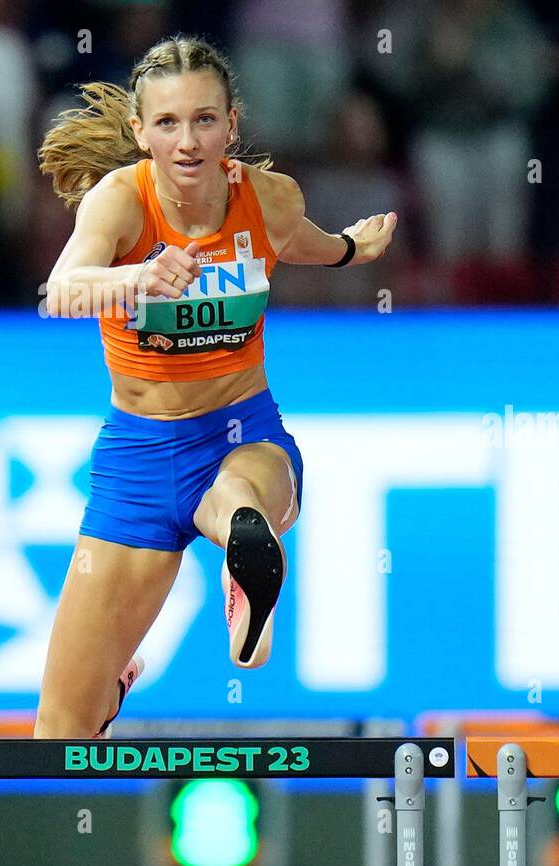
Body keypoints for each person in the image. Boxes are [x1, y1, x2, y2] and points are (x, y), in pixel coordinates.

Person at [34, 35, 396, 738]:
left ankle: (243, 557)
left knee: (238, 494)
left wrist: (354, 247)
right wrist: (133, 278)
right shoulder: (122, 203)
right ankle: (111, 686)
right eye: (167, 123)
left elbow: (306, 243)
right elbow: (61, 291)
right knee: (60, 734)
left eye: (205, 120)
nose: (189, 141)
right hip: (139, 464)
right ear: (140, 132)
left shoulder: (268, 197)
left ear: (232, 124)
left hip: (243, 433)